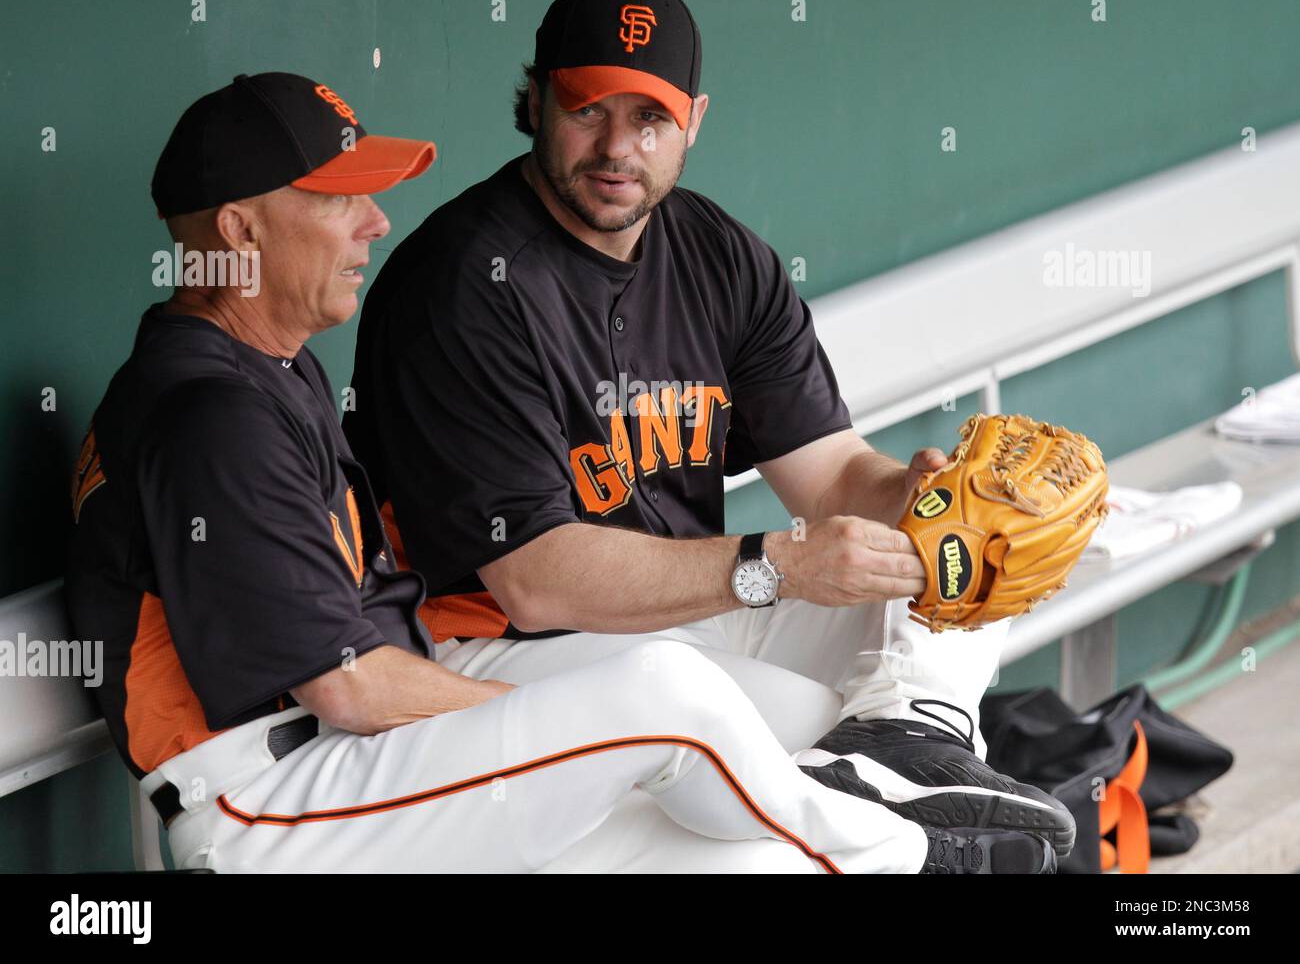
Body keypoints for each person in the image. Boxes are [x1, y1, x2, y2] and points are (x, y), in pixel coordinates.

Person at [64, 71, 1019, 875]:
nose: (374, 220)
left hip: (353, 758)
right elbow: (350, 688)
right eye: (337, 195)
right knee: (670, 701)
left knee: (770, 756)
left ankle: (881, 807)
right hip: (264, 803)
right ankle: (905, 842)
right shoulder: (212, 413)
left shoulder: (264, 366)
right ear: (239, 230)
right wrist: (573, 726)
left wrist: (586, 737)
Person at [344, 0, 1072, 870]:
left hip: (692, 607)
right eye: (587, 110)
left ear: (694, 120)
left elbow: (834, 472)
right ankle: (888, 786)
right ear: (533, 102)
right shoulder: (462, 284)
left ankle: (906, 739)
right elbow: (537, 580)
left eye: (649, 119)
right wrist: (783, 567)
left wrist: (916, 494)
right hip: (508, 646)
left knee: (964, 563)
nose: (618, 148)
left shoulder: (719, 255)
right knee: (806, 735)